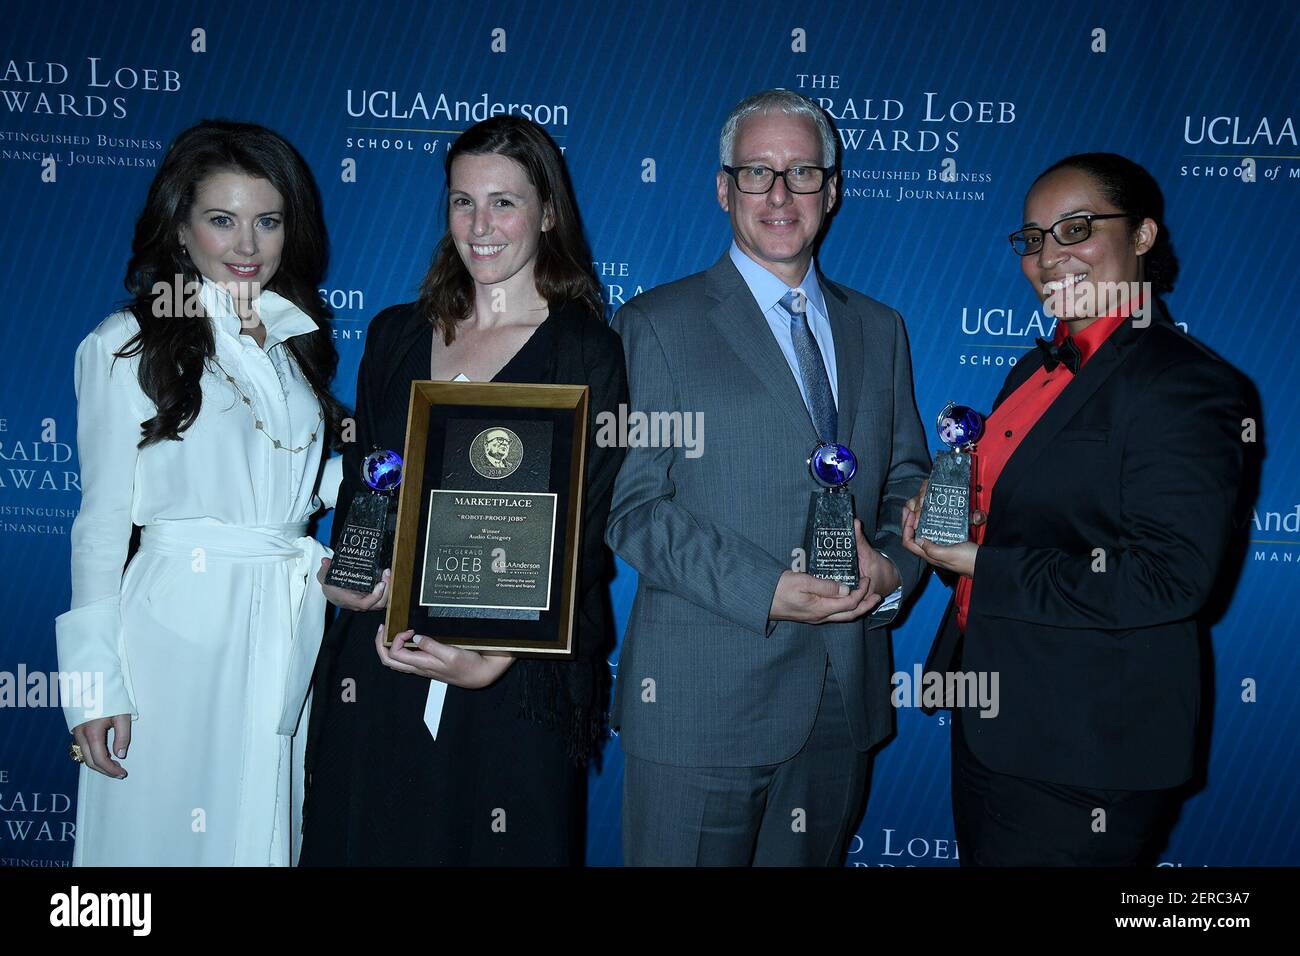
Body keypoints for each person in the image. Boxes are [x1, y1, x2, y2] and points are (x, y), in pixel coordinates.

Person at [606, 89, 930, 866]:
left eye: (802, 172)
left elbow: (910, 479)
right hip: (698, 703)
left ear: (834, 189)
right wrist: (767, 591)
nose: (780, 195)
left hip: (840, 697)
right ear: (724, 188)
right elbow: (634, 508)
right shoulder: (655, 323)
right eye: (757, 173)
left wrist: (891, 569)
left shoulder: (879, 329)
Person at [903, 152, 1252, 866]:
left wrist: (981, 560)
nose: (1048, 256)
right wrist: (947, 532)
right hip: (995, 720)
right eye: (1033, 238)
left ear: (1145, 236)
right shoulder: (1032, 369)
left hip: (1087, 749)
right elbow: (1029, 530)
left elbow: (1169, 580)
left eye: (1076, 228)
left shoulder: (1184, 385)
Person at [300, 116, 627, 866]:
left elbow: (584, 529)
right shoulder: (396, 335)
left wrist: (493, 657)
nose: (480, 226)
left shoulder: (585, 351)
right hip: (385, 656)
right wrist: (350, 575)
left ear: (547, 212)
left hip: (513, 677)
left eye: (503, 203)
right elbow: (367, 491)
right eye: (462, 202)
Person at [55, 119, 348, 866]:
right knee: (160, 836)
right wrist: (93, 688)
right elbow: (97, 527)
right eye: (222, 220)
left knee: (261, 826)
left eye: (268, 221)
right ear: (180, 229)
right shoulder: (124, 345)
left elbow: (306, 481)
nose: (247, 246)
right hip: (173, 635)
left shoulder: (293, 344)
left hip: (281, 624)